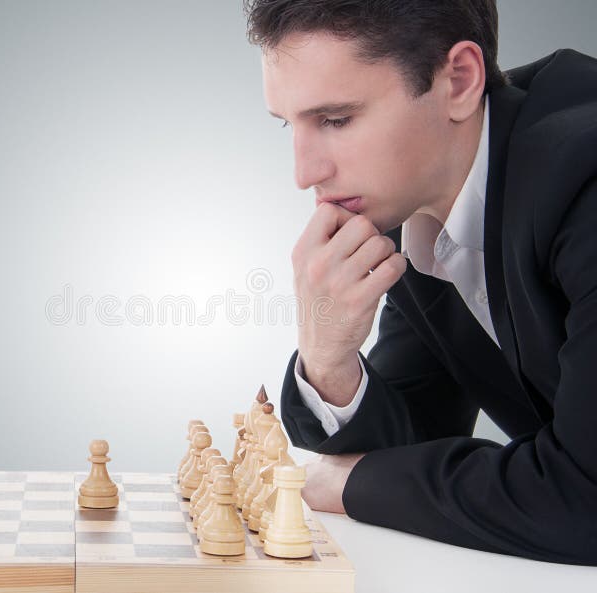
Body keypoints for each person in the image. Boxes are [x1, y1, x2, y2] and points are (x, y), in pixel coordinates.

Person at [244, 0, 597, 565]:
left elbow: (586, 501)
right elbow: (416, 445)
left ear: (458, 80)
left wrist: (349, 487)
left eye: (335, 120)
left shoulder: (584, 175)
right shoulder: (420, 211)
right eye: (291, 124)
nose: (304, 173)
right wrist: (329, 359)